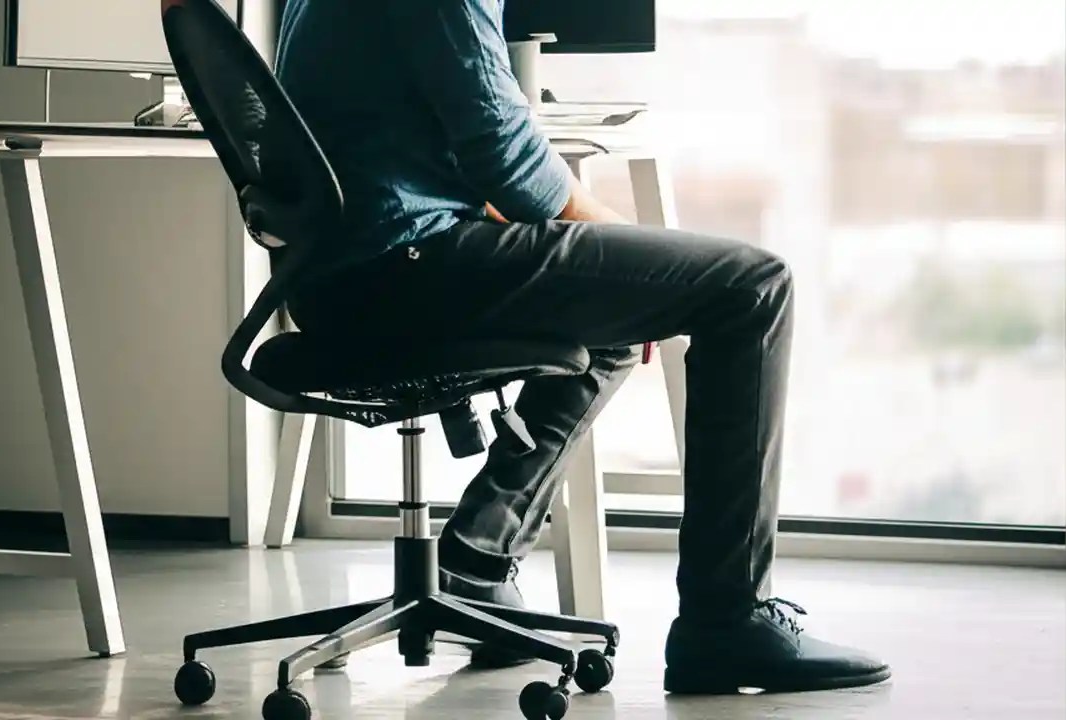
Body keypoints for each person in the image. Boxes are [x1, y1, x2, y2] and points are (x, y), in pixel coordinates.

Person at [275, 0, 890, 695]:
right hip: (406, 264)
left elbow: (414, 135)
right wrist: (617, 236)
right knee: (753, 287)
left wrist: (623, 275)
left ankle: (477, 561)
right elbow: (504, 154)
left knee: (614, 322)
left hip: (344, 278)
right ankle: (728, 622)